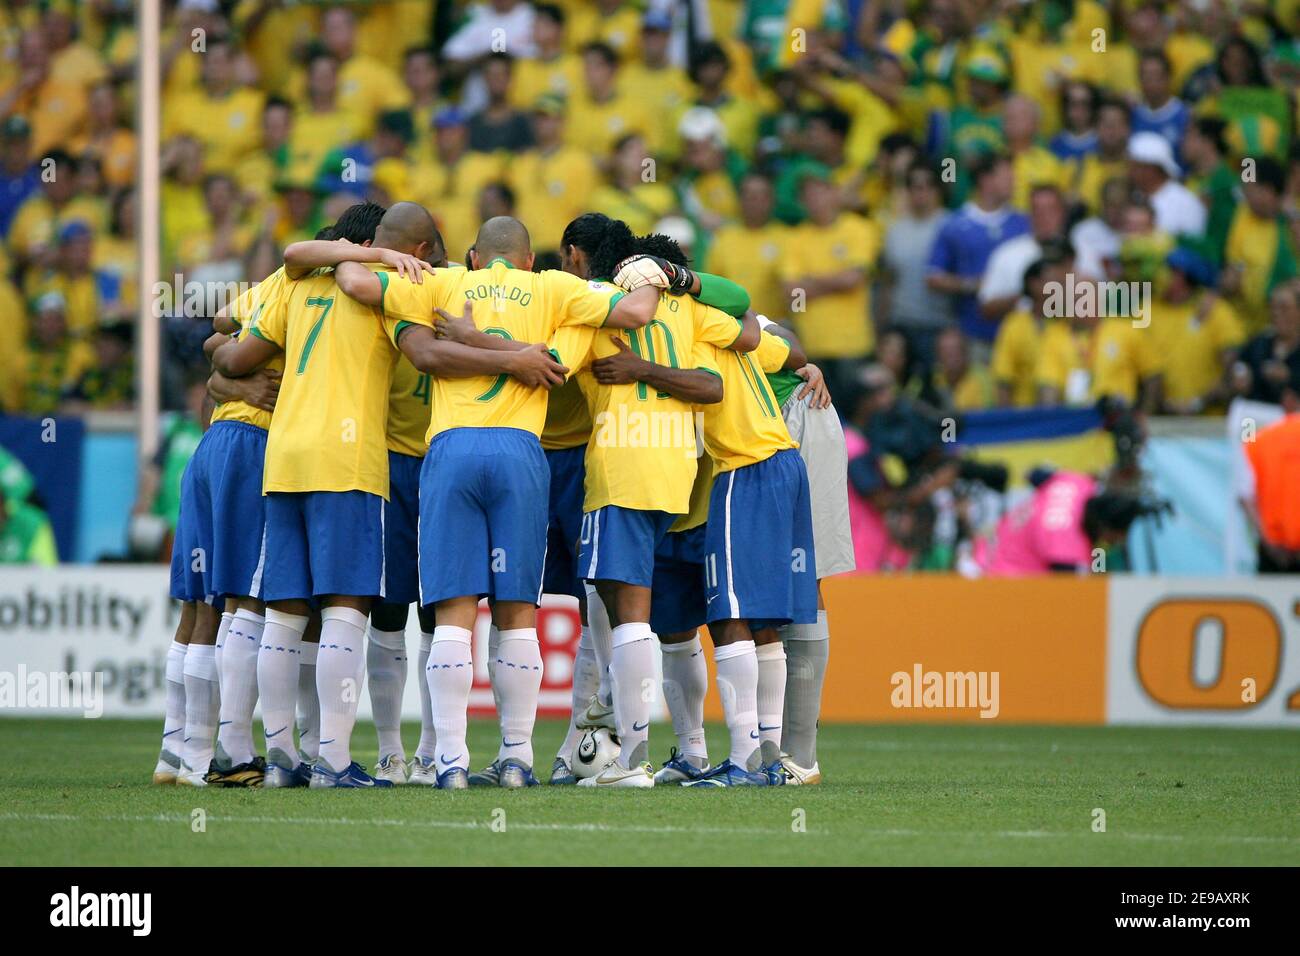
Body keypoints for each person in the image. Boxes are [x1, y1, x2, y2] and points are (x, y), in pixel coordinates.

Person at [332, 214, 660, 789]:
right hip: (520, 455)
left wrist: (392, 262)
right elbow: (635, 312)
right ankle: (515, 759)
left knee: (453, 616)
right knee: (516, 615)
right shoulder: (555, 289)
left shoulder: (444, 281)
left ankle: (451, 763)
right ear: (532, 260)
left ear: (477, 256)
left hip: (451, 451)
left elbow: (353, 282)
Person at [208, 202, 441, 789]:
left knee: (284, 610)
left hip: (284, 458)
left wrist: (226, 381)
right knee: (344, 608)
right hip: (348, 462)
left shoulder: (294, 284)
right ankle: (333, 759)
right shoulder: (389, 288)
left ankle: (282, 755)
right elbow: (427, 354)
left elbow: (230, 345)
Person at [1242, 367, 1300, 573]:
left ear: (1287, 400)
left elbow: (1245, 496)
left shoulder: (1259, 440)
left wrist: (1267, 541)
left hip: (1273, 548)